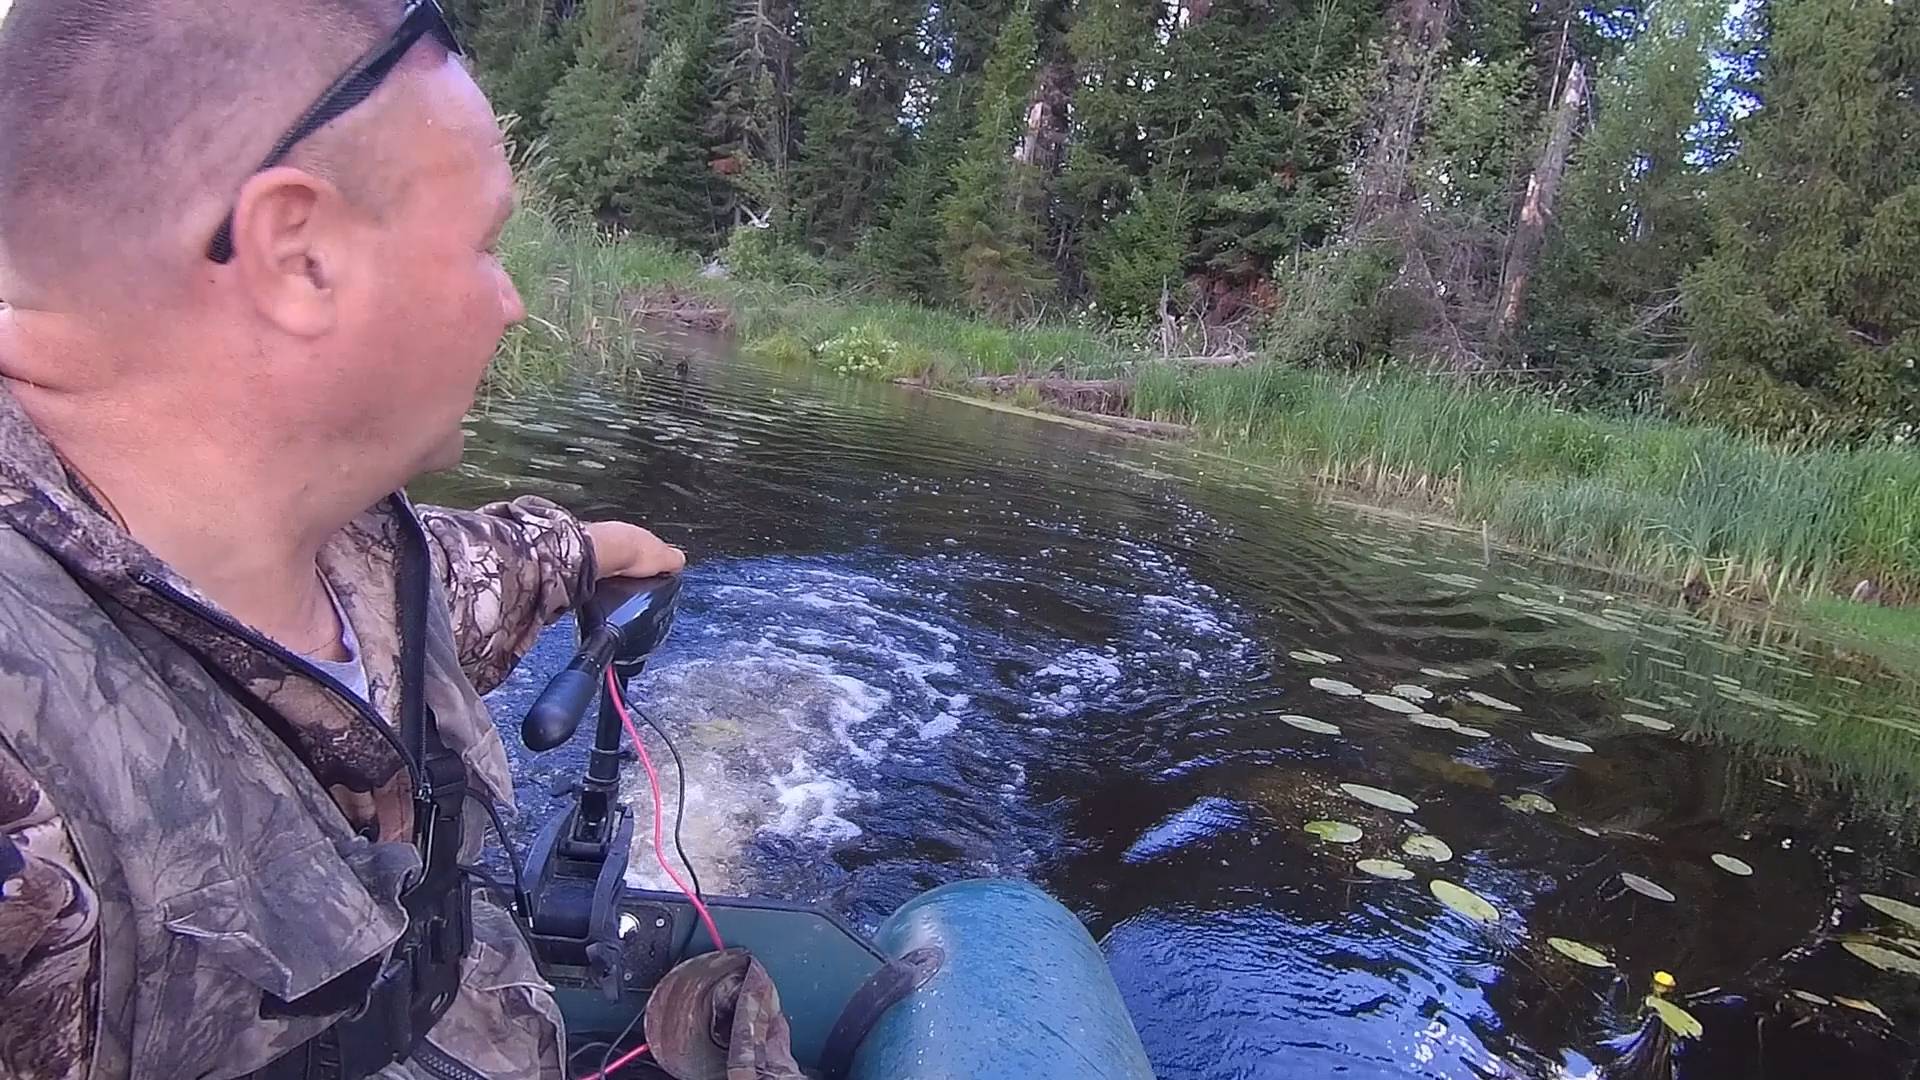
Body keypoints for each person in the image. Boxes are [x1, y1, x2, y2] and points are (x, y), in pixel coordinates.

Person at [0, 1, 686, 1076]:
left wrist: (589, 550)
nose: (509, 302)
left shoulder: (332, 539)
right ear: (301, 256)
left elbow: (444, 586)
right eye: (485, 245)